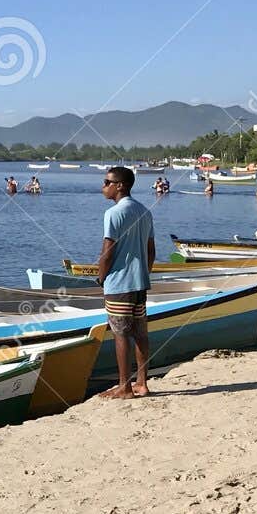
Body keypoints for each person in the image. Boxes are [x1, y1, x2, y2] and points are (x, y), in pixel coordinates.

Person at [97, 167, 155, 400]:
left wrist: (101, 277)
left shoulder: (113, 213)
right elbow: (151, 250)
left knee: (121, 334)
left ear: (120, 185)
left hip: (119, 284)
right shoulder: (144, 211)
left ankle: (124, 386)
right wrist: (143, 273)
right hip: (140, 283)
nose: (104, 186)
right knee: (140, 334)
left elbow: (107, 252)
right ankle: (142, 383)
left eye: (107, 182)